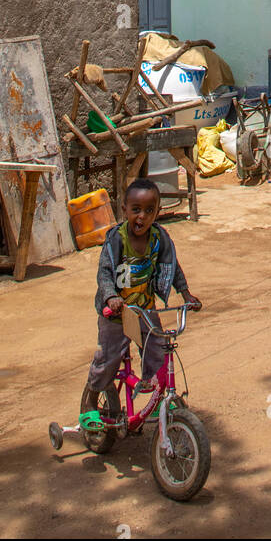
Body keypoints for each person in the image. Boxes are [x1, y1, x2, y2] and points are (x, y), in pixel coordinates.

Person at [80, 177, 201, 431]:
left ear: (157, 211)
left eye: (149, 211)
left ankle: (157, 396)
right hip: (117, 314)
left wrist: (186, 294)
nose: (142, 217)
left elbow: (172, 266)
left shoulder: (159, 238)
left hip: (144, 309)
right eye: (136, 210)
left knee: (158, 350)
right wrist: (111, 296)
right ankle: (91, 400)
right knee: (108, 359)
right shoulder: (117, 239)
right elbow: (104, 273)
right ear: (124, 209)